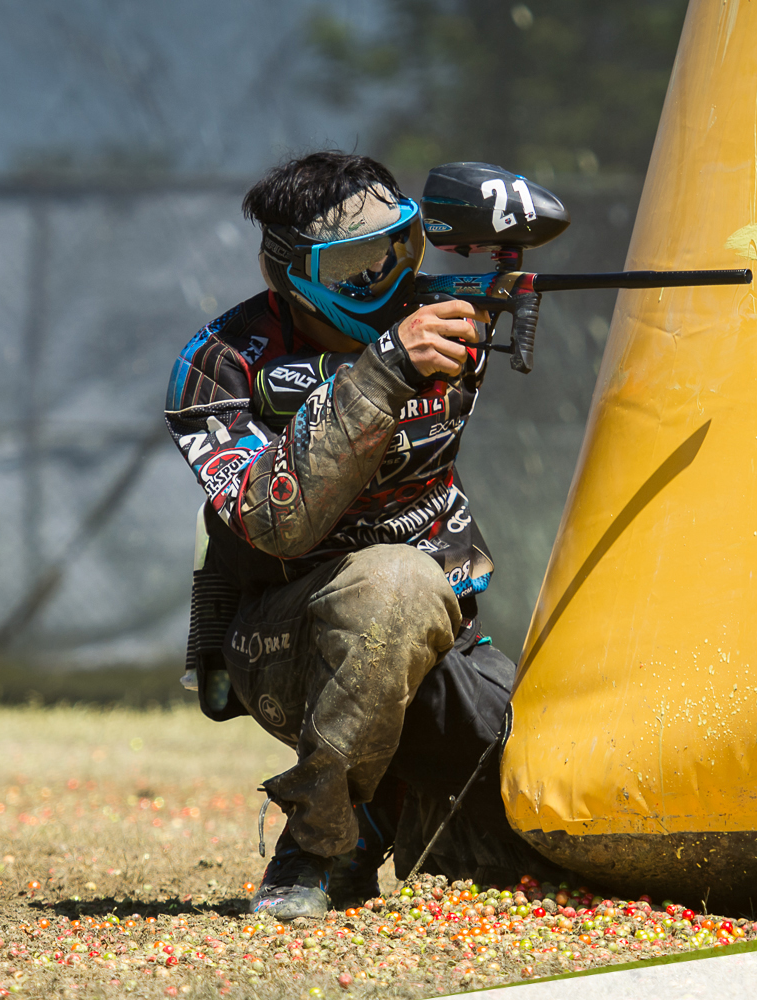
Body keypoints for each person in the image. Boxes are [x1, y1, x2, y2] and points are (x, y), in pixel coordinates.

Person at [164, 151, 562, 920]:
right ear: (290, 274)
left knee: (544, 802)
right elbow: (275, 522)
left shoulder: (447, 315)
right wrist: (383, 372)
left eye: (398, 248)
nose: (385, 278)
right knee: (394, 581)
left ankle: (385, 812)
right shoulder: (219, 367)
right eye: (354, 266)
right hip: (285, 642)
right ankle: (317, 846)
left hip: (440, 643)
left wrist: (501, 262)